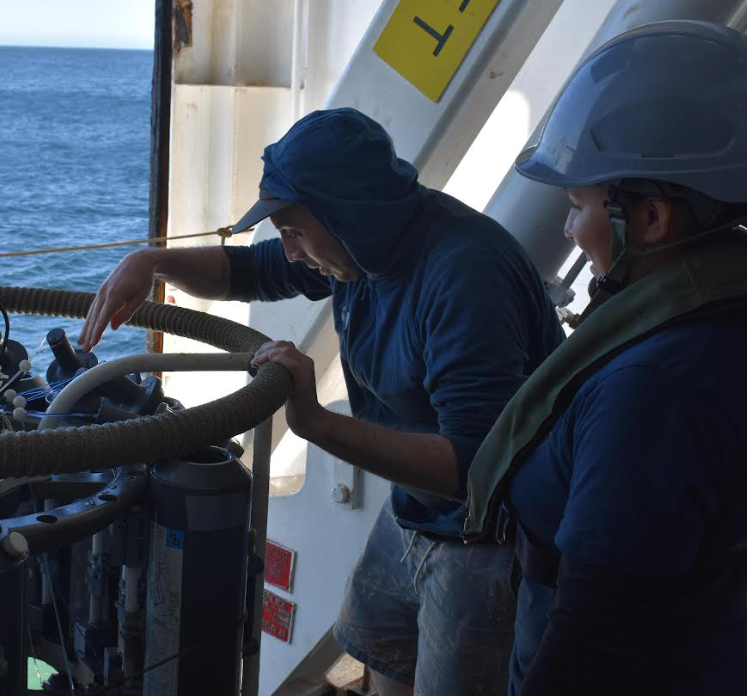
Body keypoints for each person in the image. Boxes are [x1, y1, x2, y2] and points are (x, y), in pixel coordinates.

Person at [79, 107, 563, 695]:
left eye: (293, 231)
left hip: (489, 539)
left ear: (348, 215)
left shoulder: (465, 279)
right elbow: (247, 272)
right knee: (380, 645)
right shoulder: (361, 247)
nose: (288, 251)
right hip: (417, 510)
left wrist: (313, 422)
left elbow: (471, 469)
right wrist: (152, 262)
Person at [462, 20, 747, 696]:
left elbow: (592, 641)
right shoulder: (739, 308)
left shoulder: (658, 382)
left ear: (654, 219)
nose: (569, 229)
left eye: (576, 205)